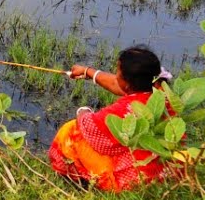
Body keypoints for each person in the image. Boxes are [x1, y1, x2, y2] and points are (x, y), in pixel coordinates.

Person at [48, 45, 174, 192]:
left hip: (135, 181)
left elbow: (88, 126)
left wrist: (83, 111)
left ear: (127, 84)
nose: (115, 76)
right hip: (168, 171)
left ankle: (74, 175)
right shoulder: (163, 93)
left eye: (118, 73)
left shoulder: (124, 110)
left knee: (71, 132)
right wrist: (87, 72)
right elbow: (118, 84)